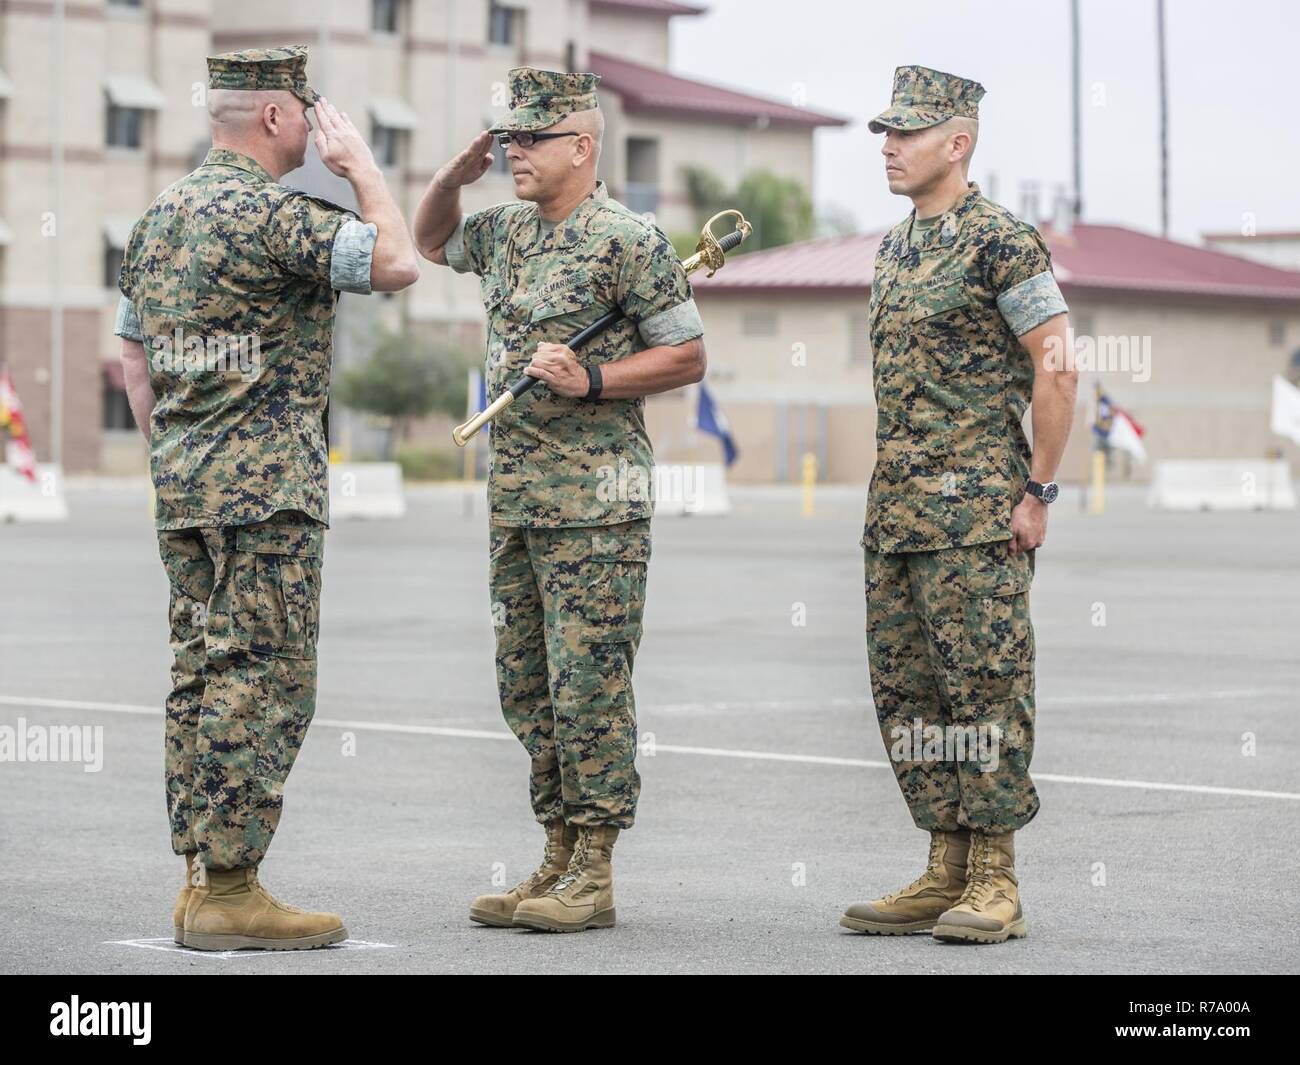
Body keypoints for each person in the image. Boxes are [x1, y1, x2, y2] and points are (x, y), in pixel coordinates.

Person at [114, 45, 419, 951]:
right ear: (281, 119)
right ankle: (232, 888)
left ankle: (197, 875)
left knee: (198, 675)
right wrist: (362, 167)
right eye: (310, 113)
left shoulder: (157, 218)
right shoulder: (280, 218)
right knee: (264, 678)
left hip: (185, 490)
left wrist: (180, 449)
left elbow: (133, 360)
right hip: (268, 497)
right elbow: (398, 262)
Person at [413, 67, 706, 932]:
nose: (514, 153)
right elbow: (432, 244)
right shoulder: (503, 231)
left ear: (582, 145)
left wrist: (594, 379)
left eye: (530, 140)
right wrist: (447, 180)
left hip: (595, 506)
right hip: (517, 502)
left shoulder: (629, 239)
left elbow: (686, 355)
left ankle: (597, 868)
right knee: (527, 687)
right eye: (507, 139)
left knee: (590, 687)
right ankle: (556, 850)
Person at [840, 66, 1077, 944]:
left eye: (906, 133)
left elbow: (1058, 366)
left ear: (958, 142)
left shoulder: (1001, 243)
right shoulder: (894, 248)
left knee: (984, 688)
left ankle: (995, 878)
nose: (890, 147)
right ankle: (944, 868)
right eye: (885, 133)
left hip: (976, 509)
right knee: (908, 694)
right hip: (896, 511)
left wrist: (1038, 489)